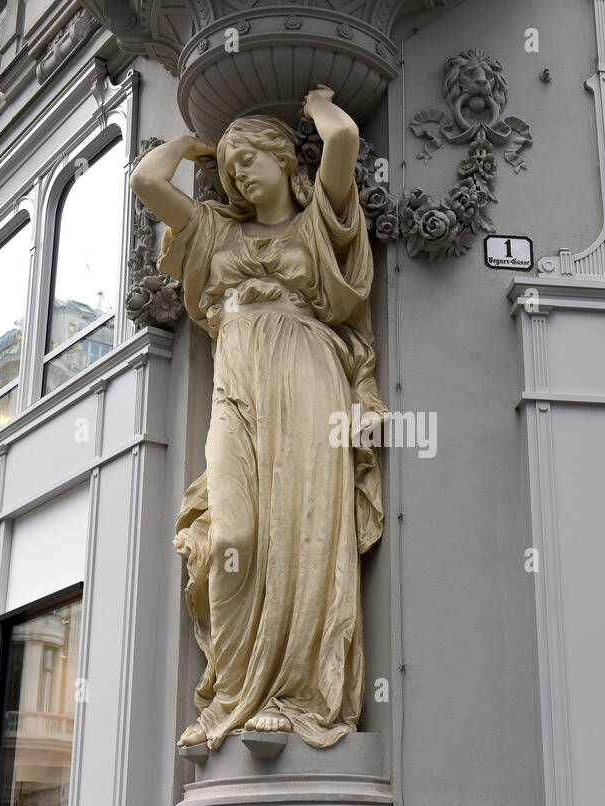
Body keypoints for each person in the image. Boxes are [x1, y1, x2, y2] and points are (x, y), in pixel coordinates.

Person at [130, 87, 387, 750]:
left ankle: (296, 693)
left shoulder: (316, 223)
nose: (241, 171)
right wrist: (194, 143)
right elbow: (147, 181)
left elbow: (341, 143)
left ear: (284, 162)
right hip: (237, 382)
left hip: (308, 375)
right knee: (232, 534)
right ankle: (231, 693)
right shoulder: (216, 229)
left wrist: (318, 103)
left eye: (254, 158)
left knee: (305, 534)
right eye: (234, 161)